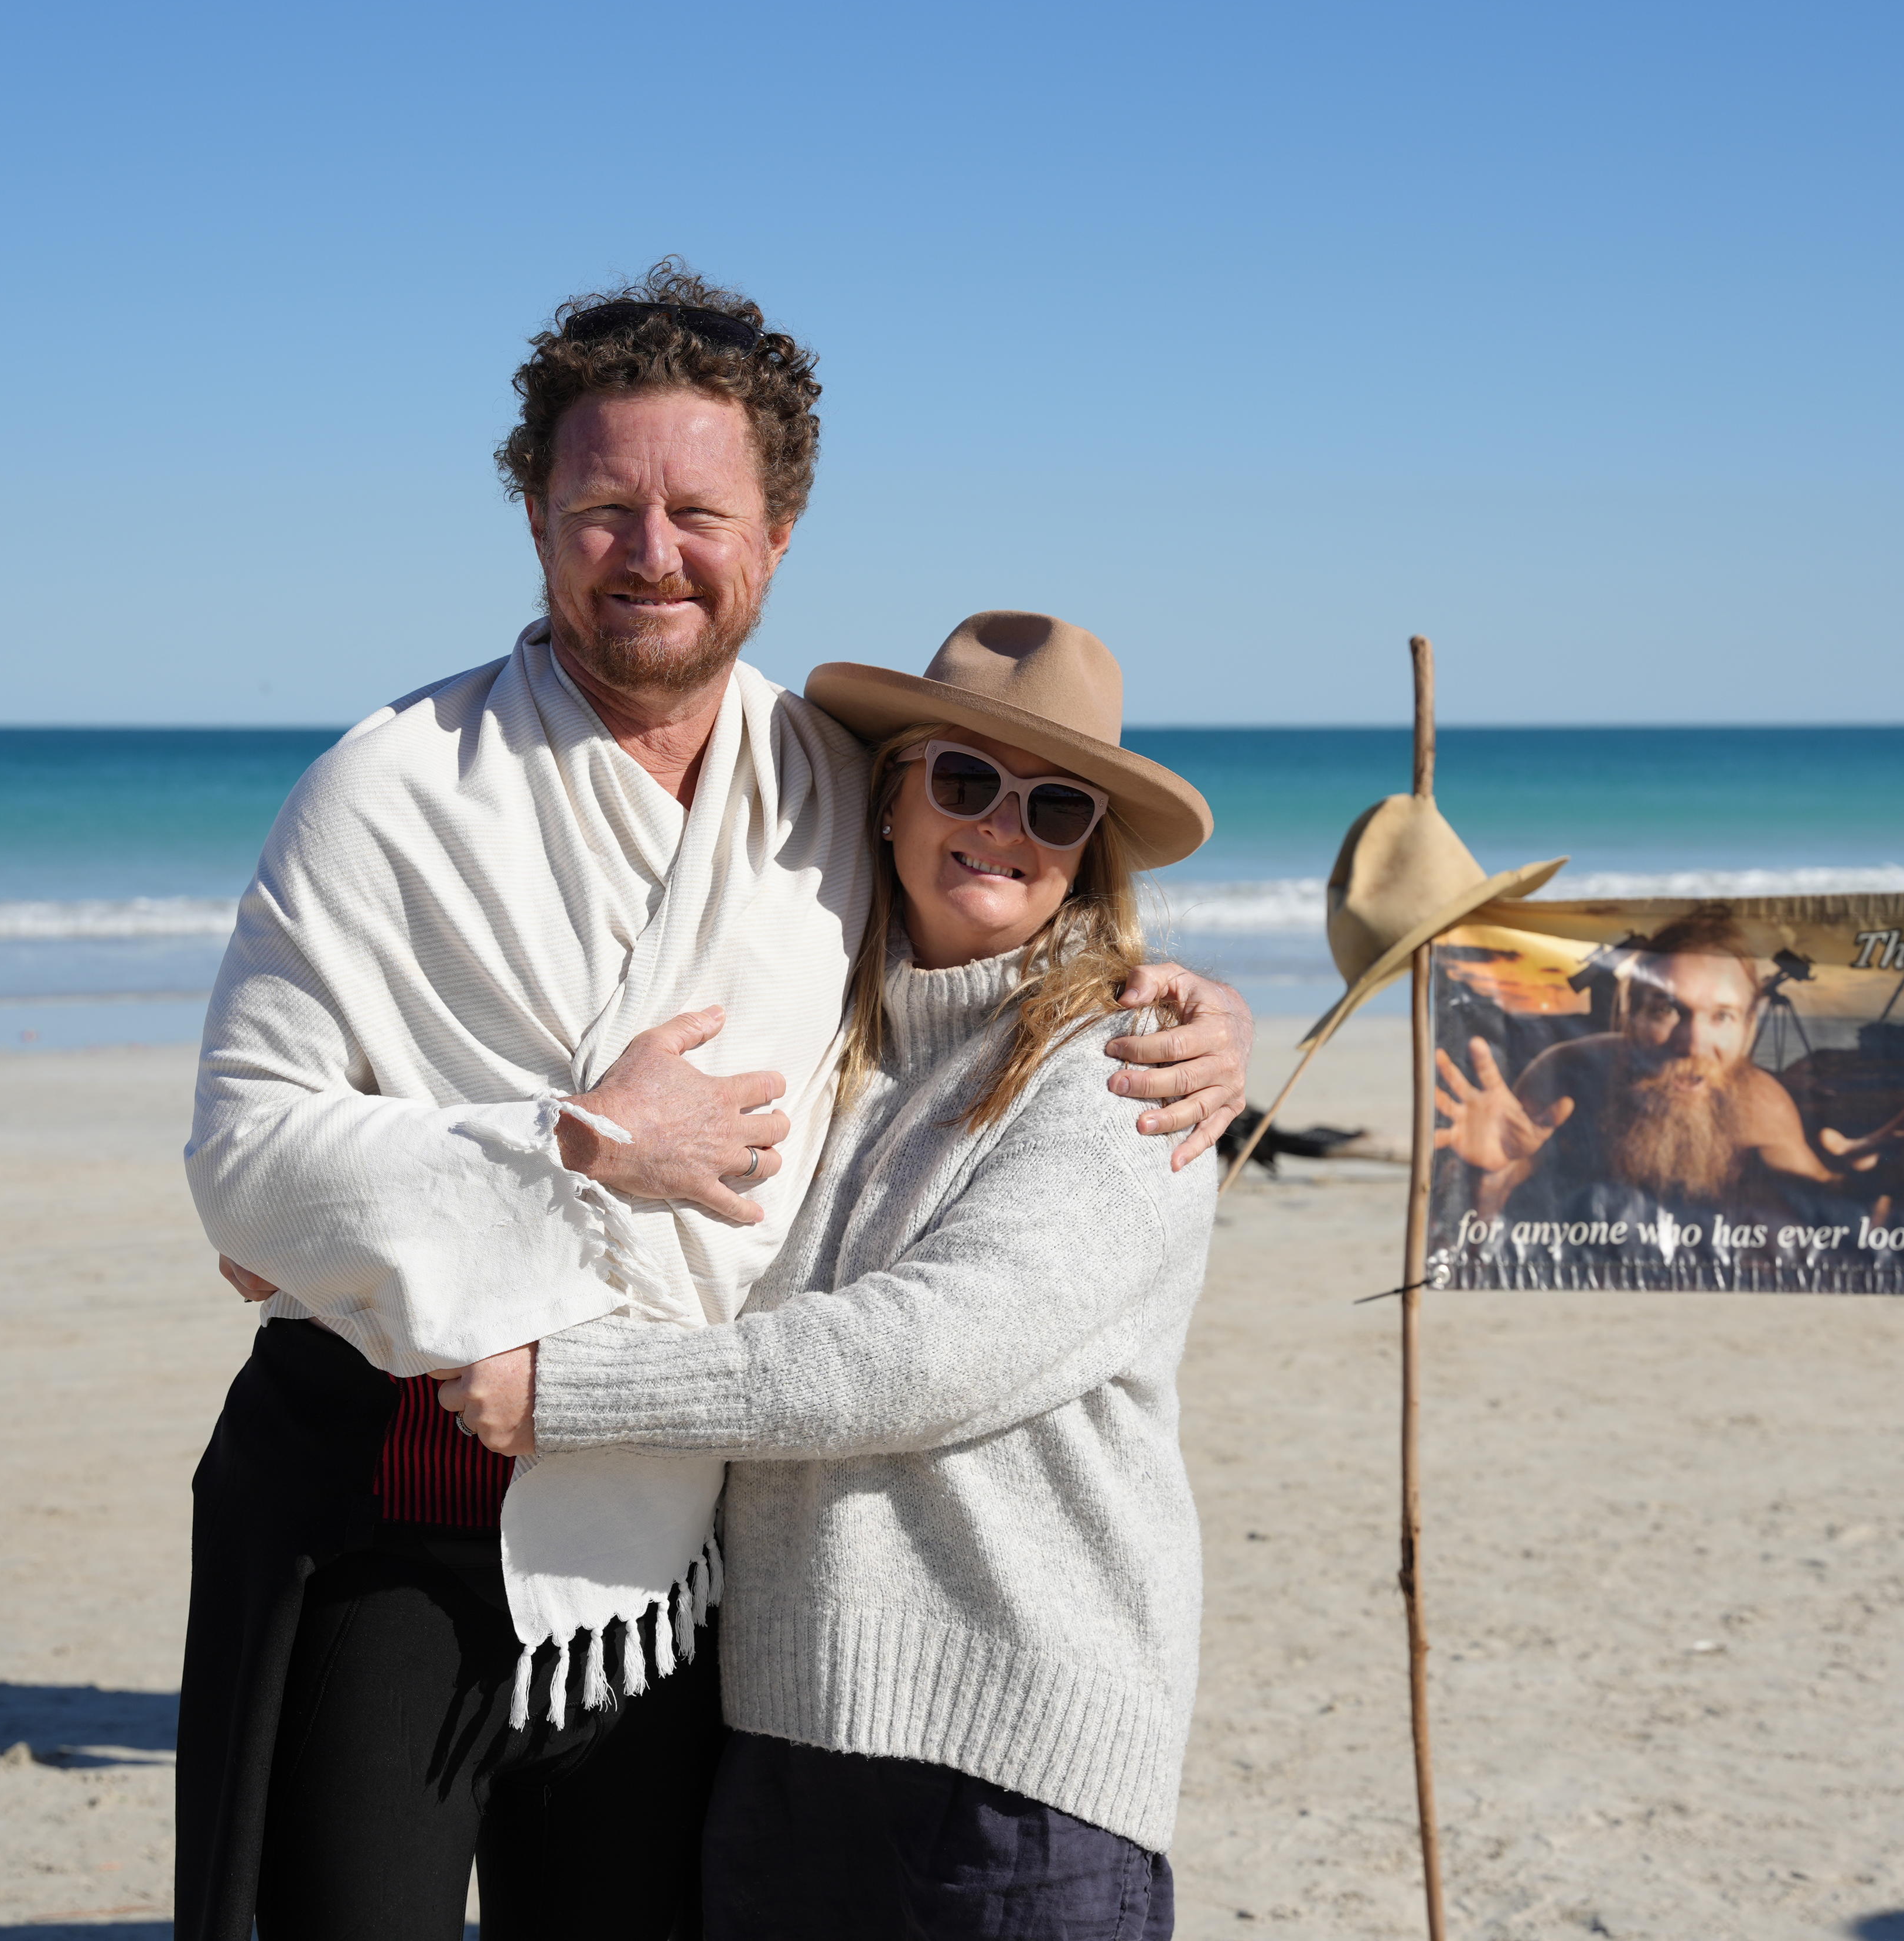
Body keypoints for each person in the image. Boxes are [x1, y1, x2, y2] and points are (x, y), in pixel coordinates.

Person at [175, 264, 1253, 1941]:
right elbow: (245, 1161)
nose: (651, 551)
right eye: (604, 505)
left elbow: (1000, 929)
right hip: (381, 1505)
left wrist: (1179, 1001)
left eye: (698, 508)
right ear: (535, 512)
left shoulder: (821, 781)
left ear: (783, 528)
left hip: (671, 1569)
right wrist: (572, 1144)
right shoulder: (385, 787)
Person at [436, 612, 1215, 1940]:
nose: (1004, 826)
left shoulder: (1121, 1068)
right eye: (966, 780)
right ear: (894, 793)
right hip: (781, 1735)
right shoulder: (826, 1053)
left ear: (1088, 855)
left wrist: (571, 1390)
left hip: (1009, 1763)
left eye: (1058, 806)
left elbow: (931, 1353)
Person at [1434, 908, 1904, 1222]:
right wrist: (1491, 1173)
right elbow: (1487, 1219)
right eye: (1668, 1010)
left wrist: (1864, 1183)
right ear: (1628, 1013)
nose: (1694, 1043)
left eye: (1721, 1016)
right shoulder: (1570, 1075)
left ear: (1749, 1027)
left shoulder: (1757, 1103)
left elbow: (1807, 1197)